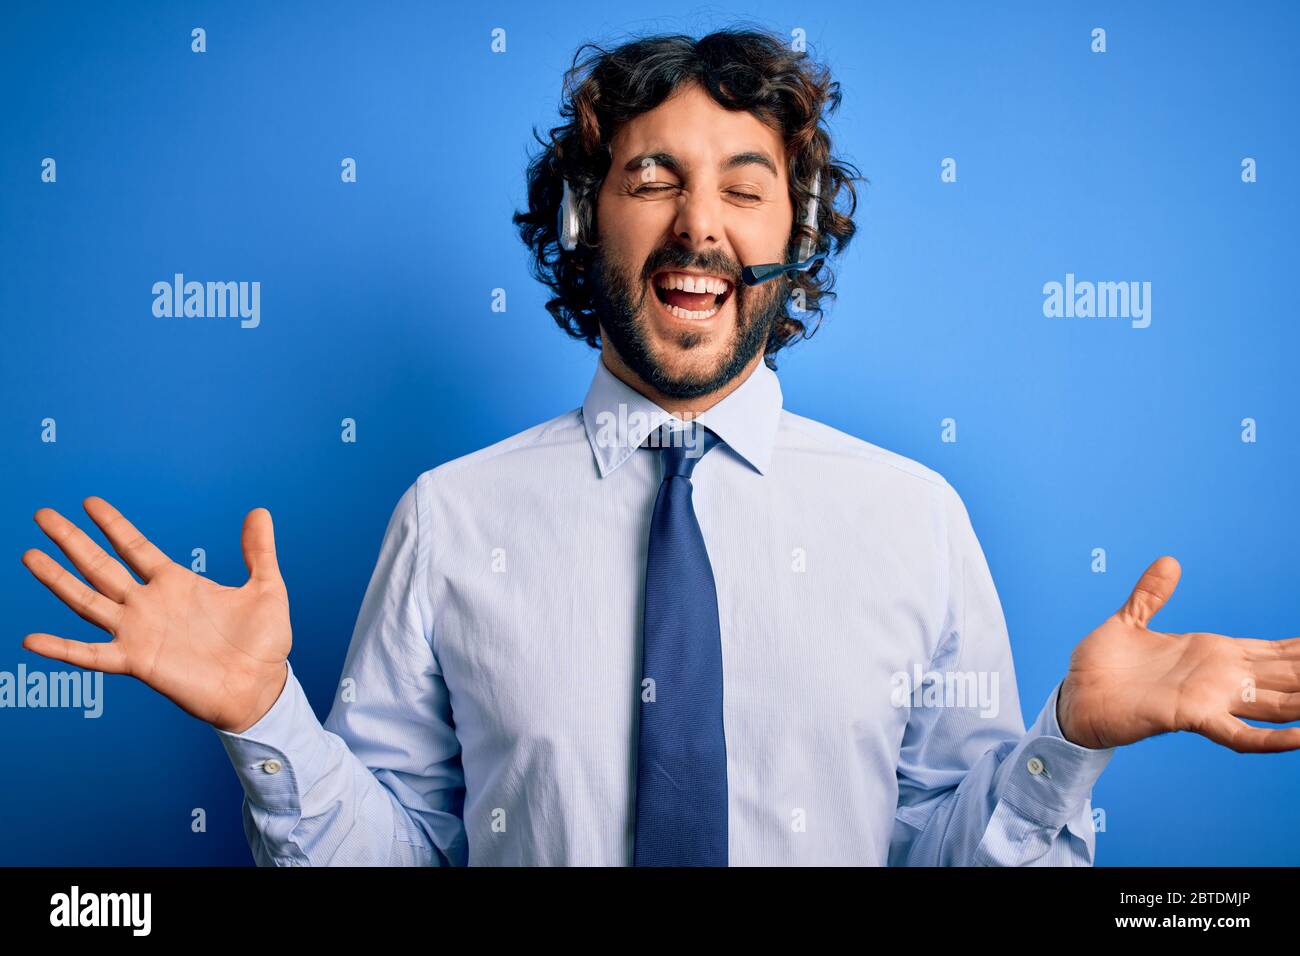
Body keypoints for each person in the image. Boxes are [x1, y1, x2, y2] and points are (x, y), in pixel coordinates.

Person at [20, 28, 1300, 867]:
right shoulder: (448, 517)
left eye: (745, 186)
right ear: (586, 222)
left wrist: (1064, 739)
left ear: (794, 237)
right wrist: (269, 721)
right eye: (652, 181)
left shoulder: (916, 520)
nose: (700, 226)